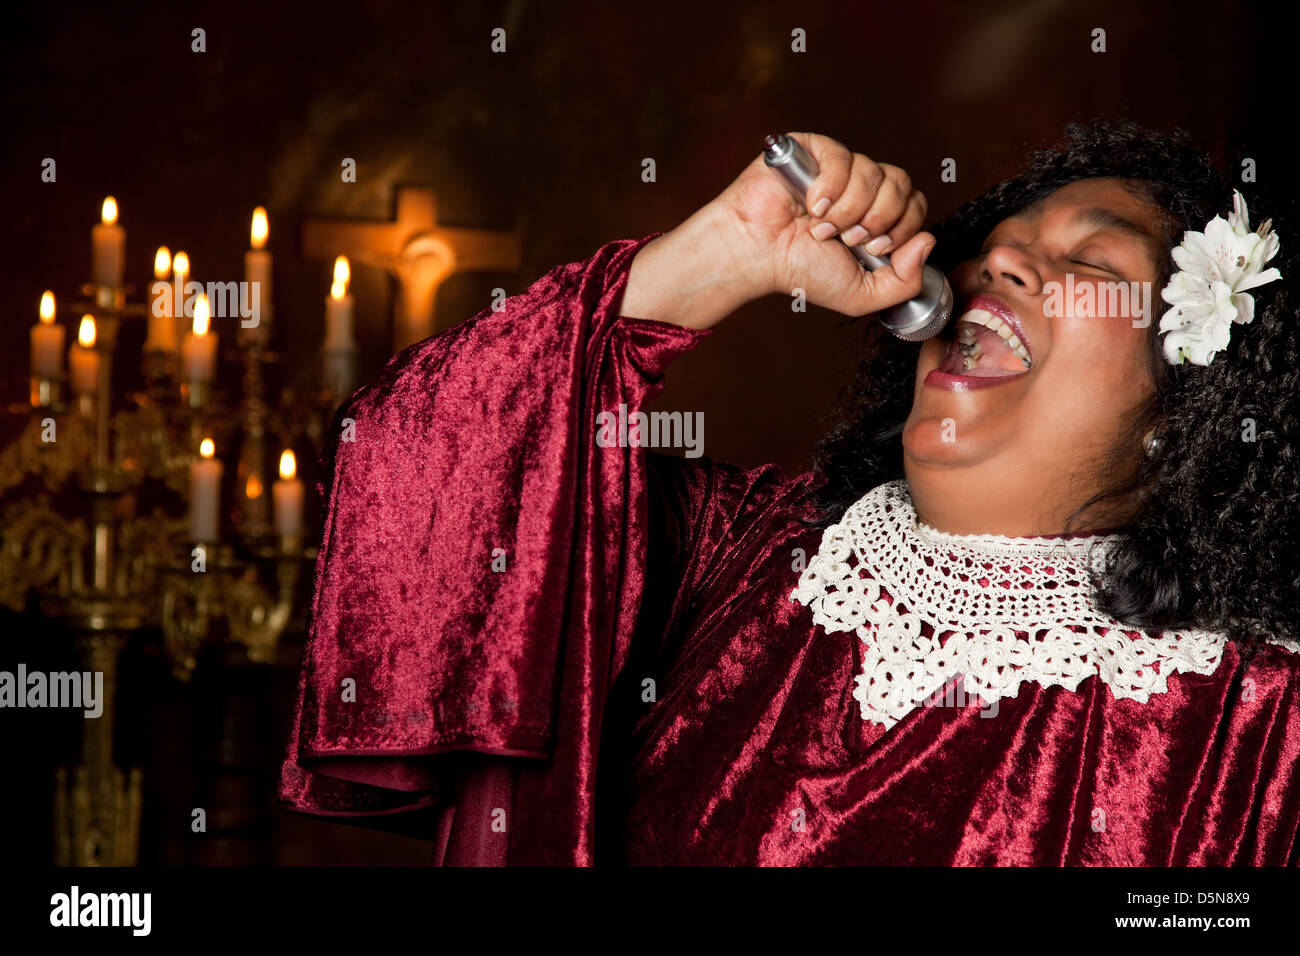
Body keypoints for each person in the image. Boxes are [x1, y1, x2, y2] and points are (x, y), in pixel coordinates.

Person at [279, 122, 1300, 865]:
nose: (999, 258)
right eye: (1004, 237)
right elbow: (408, 477)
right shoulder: (733, 557)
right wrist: (722, 252)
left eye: (1088, 259)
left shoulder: (1256, 731)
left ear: (1187, 410)